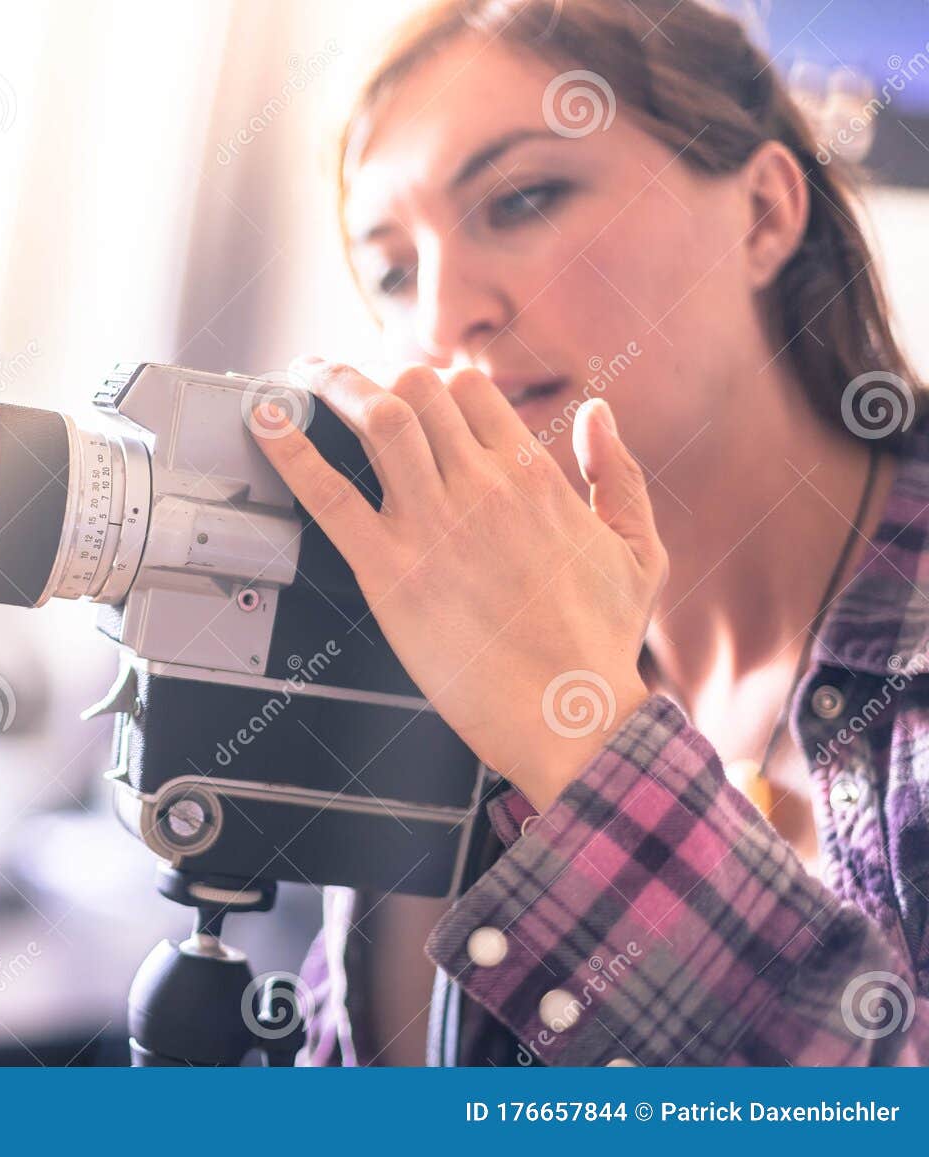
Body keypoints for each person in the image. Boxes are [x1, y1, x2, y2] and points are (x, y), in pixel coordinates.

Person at [249, 0, 929, 1065]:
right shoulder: (475, 672)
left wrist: (583, 745)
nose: (443, 319)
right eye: (392, 271)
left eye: (522, 199)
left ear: (762, 213)